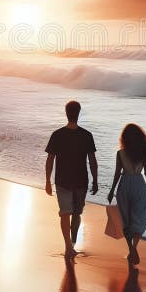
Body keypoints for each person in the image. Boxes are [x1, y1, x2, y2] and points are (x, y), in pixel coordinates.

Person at [45, 100, 98, 260]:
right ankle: (72, 243)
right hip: (81, 181)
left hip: (62, 180)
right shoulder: (86, 135)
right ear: (79, 113)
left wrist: (47, 180)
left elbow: (50, 159)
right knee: (76, 213)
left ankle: (69, 246)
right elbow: (92, 161)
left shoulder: (57, 134)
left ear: (66, 113)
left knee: (64, 214)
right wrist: (95, 180)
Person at [107, 124, 146, 265]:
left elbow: (117, 174)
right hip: (139, 185)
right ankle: (134, 248)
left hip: (125, 184)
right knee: (139, 218)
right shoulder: (144, 152)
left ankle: (131, 249)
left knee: (125, 220)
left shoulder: (120, 153)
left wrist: (111, 191)